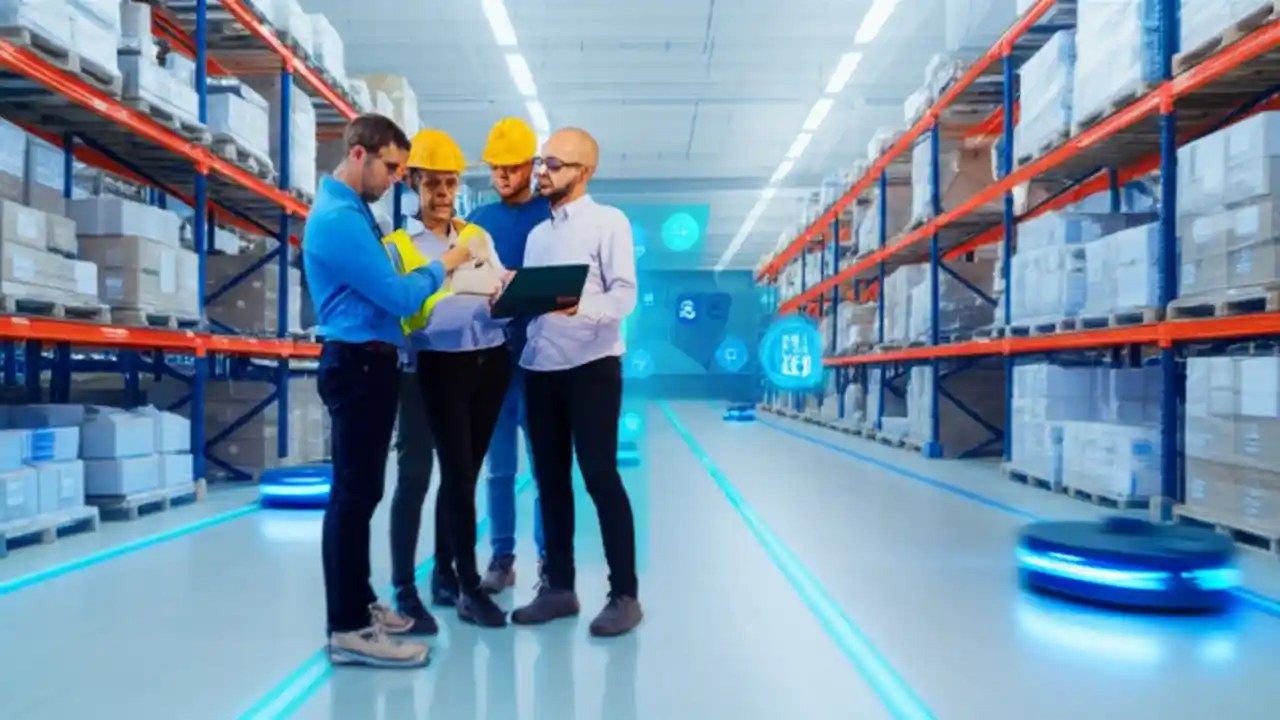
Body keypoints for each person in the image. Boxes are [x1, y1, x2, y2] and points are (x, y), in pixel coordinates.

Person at [304, 114, 475, 667]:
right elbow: (398, 297)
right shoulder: (337, 219)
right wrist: (445, 265)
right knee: (353, 498)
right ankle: (348, 628)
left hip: (370, 364)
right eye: (393, 167)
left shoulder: (356, 213)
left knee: (362, 494)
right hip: (357, 365)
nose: (398, 180)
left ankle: (360, 602)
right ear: (360, 154)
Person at [510, 128, 643, 637]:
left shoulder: (609, 223)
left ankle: (625, 594)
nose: (542, 172)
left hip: (592, 367)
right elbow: (536, 302)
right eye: (542, 162)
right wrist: (511, 295)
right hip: (540, 367)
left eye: (555, 164)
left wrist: (576, 305)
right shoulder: (536, 236)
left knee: (600, 477)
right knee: (550, 481)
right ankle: (560, 588)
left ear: (584, 172)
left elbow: (624, 298)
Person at [385, 128, 512, 628]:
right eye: (434, 184)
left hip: (488, 361)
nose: (443, 194)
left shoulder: (477, 237)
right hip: (433, 367)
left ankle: (445, 572)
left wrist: (508, 298)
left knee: (464, 477)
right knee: (436, 476)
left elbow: (497, 284)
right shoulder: (397, 245)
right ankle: (443, 586)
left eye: (452, 184)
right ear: (414, 183)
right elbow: (400, 308)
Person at [466, 117, 553, 594]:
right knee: (499, 468)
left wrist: (526, 286)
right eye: (495, 168)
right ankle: (501, 559)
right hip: (494, 364)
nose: (501, 175)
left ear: (531, 166)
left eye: (511, 167)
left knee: (545, 468)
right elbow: (464, 290)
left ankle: (548, 561)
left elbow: (571, 286)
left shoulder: (552, 216)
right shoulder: (479, 222)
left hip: (542, 363)